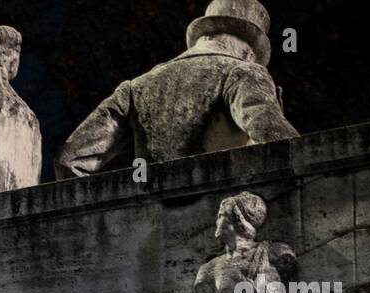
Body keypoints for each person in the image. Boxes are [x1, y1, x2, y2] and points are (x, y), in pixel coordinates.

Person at [56, 0, 296, 177]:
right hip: (221, 222)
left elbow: (68, 161)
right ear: (247, 50)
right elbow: (279, 141)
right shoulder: (244, 72)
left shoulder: (135, 87)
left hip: (146, 230)